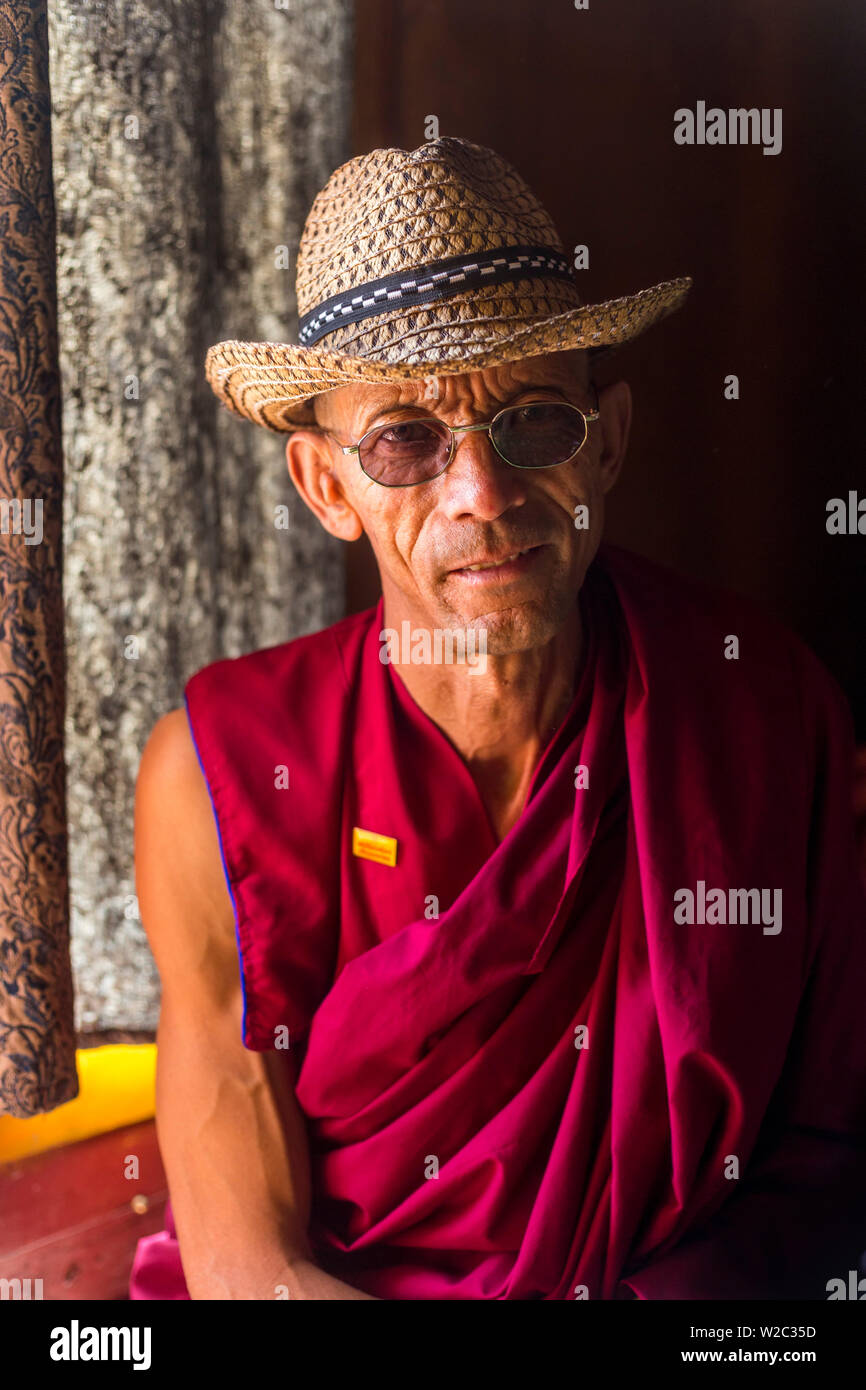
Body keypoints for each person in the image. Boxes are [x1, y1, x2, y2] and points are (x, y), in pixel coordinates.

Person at [130, 137, 866, 1301]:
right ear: (328, 487)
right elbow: (249, 1264)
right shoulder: (221, 773)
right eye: (405, 440)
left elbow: (827, 1165)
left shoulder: (761, 712)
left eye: (534, 422)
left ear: (606, 440)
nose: (482, 493)